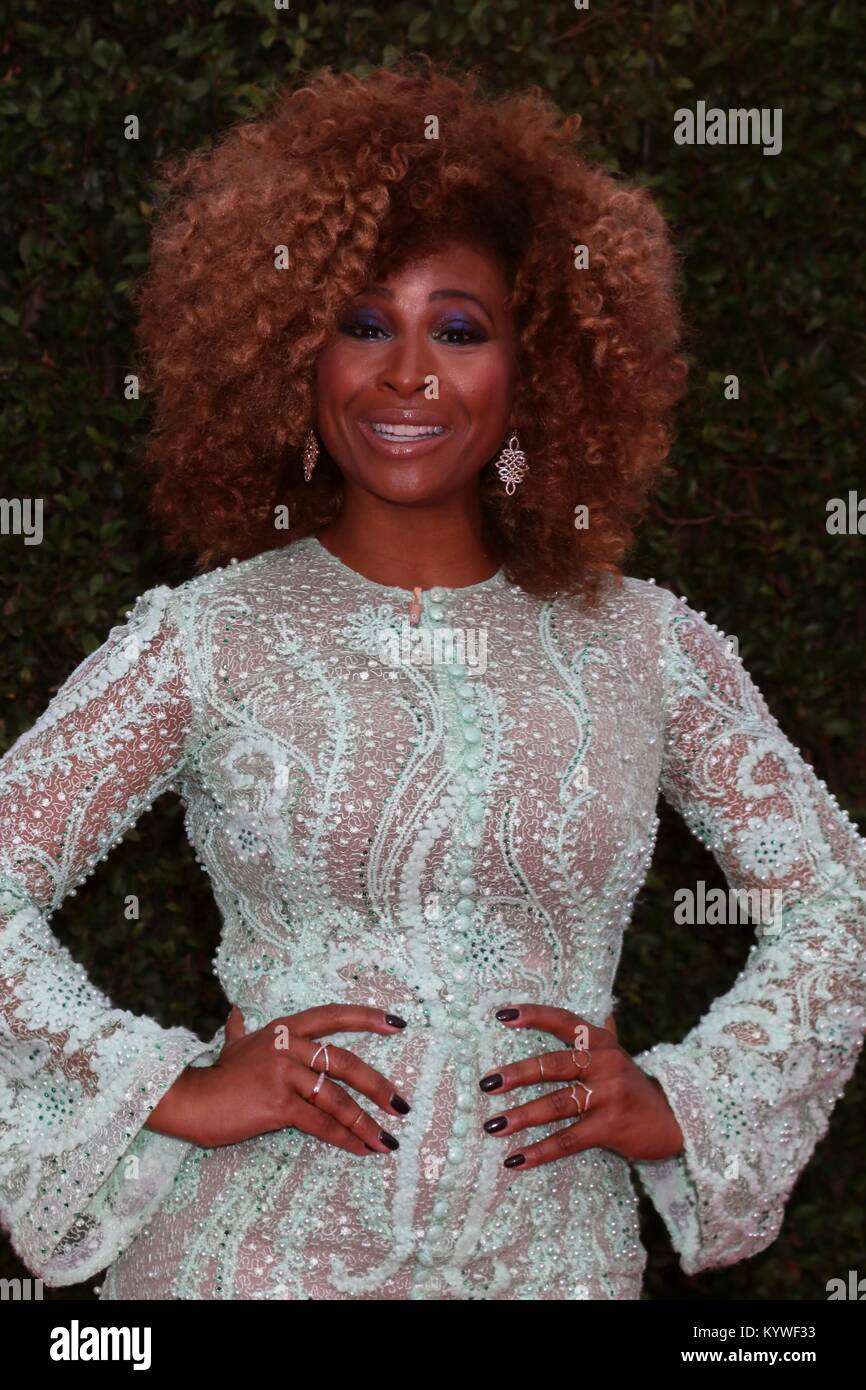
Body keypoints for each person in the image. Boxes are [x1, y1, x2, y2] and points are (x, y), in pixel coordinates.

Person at [1, 59, 864, 1302]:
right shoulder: (202, 637)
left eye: (457, 329)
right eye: (362, 323)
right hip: (245, 1264)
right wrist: (172, 1090)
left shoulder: (645, 647)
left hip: (553, 1266)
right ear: (295, 357)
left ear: (536, 370)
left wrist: (682, 1095)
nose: (408, 373)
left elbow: (832, 903)